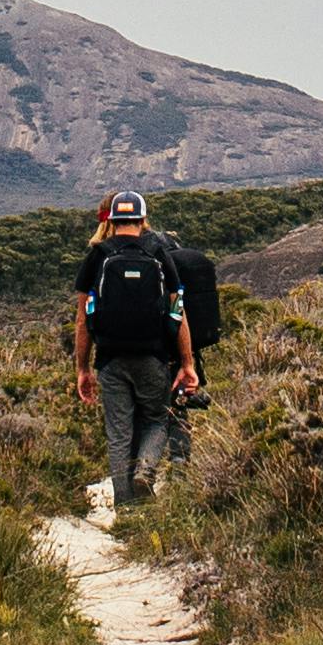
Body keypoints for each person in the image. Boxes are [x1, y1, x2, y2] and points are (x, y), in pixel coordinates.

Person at [73, 189, 201, 515]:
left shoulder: (98, 255)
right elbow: (178, 310)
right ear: (143, 220)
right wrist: (187, 363)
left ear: (112, 221)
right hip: (152, 357)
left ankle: (125, 510)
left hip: (111, 360)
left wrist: (83, 369)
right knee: (157, 421)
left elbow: (83, 320)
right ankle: (146, 470)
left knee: (118, 434)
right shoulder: (159, 252)